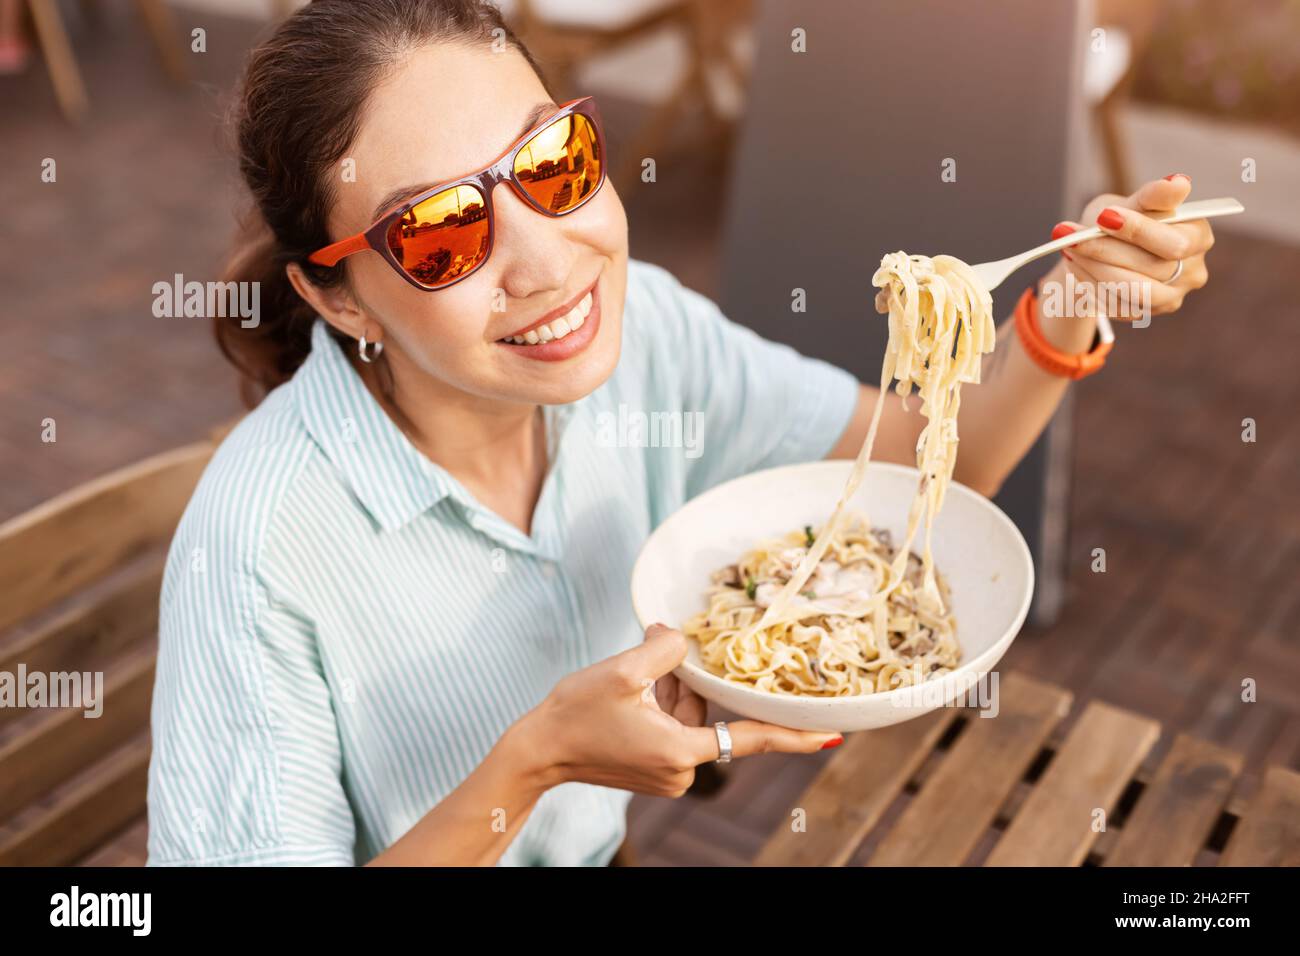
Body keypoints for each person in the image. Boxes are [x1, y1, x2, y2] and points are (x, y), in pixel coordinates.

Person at [146, 0, 1216, 866]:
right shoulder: (258, 546)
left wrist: (1074, 299)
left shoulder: (641, 325)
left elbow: (920, 462)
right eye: (438, 231)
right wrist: (532, 766)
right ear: (341, 299)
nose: (546, 260)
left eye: (551, 163)